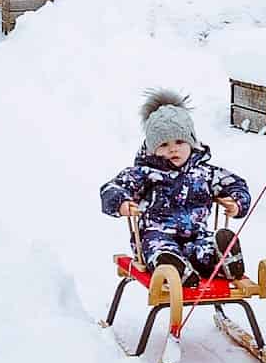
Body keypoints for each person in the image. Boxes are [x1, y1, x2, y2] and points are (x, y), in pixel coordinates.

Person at [100, 88, 252, 284]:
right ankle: (173, 269)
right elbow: (112, 188)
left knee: (205, 247)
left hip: (196, 235)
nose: (173, 149)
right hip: (156, 235)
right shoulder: (145, 173)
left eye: (179, 141)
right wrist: (121, 202)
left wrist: (237, 202)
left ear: (191, 143)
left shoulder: (205, 173)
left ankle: (222, 259)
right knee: (159, 250)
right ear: (152, 149)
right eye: (163, 145)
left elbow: (235, 184)